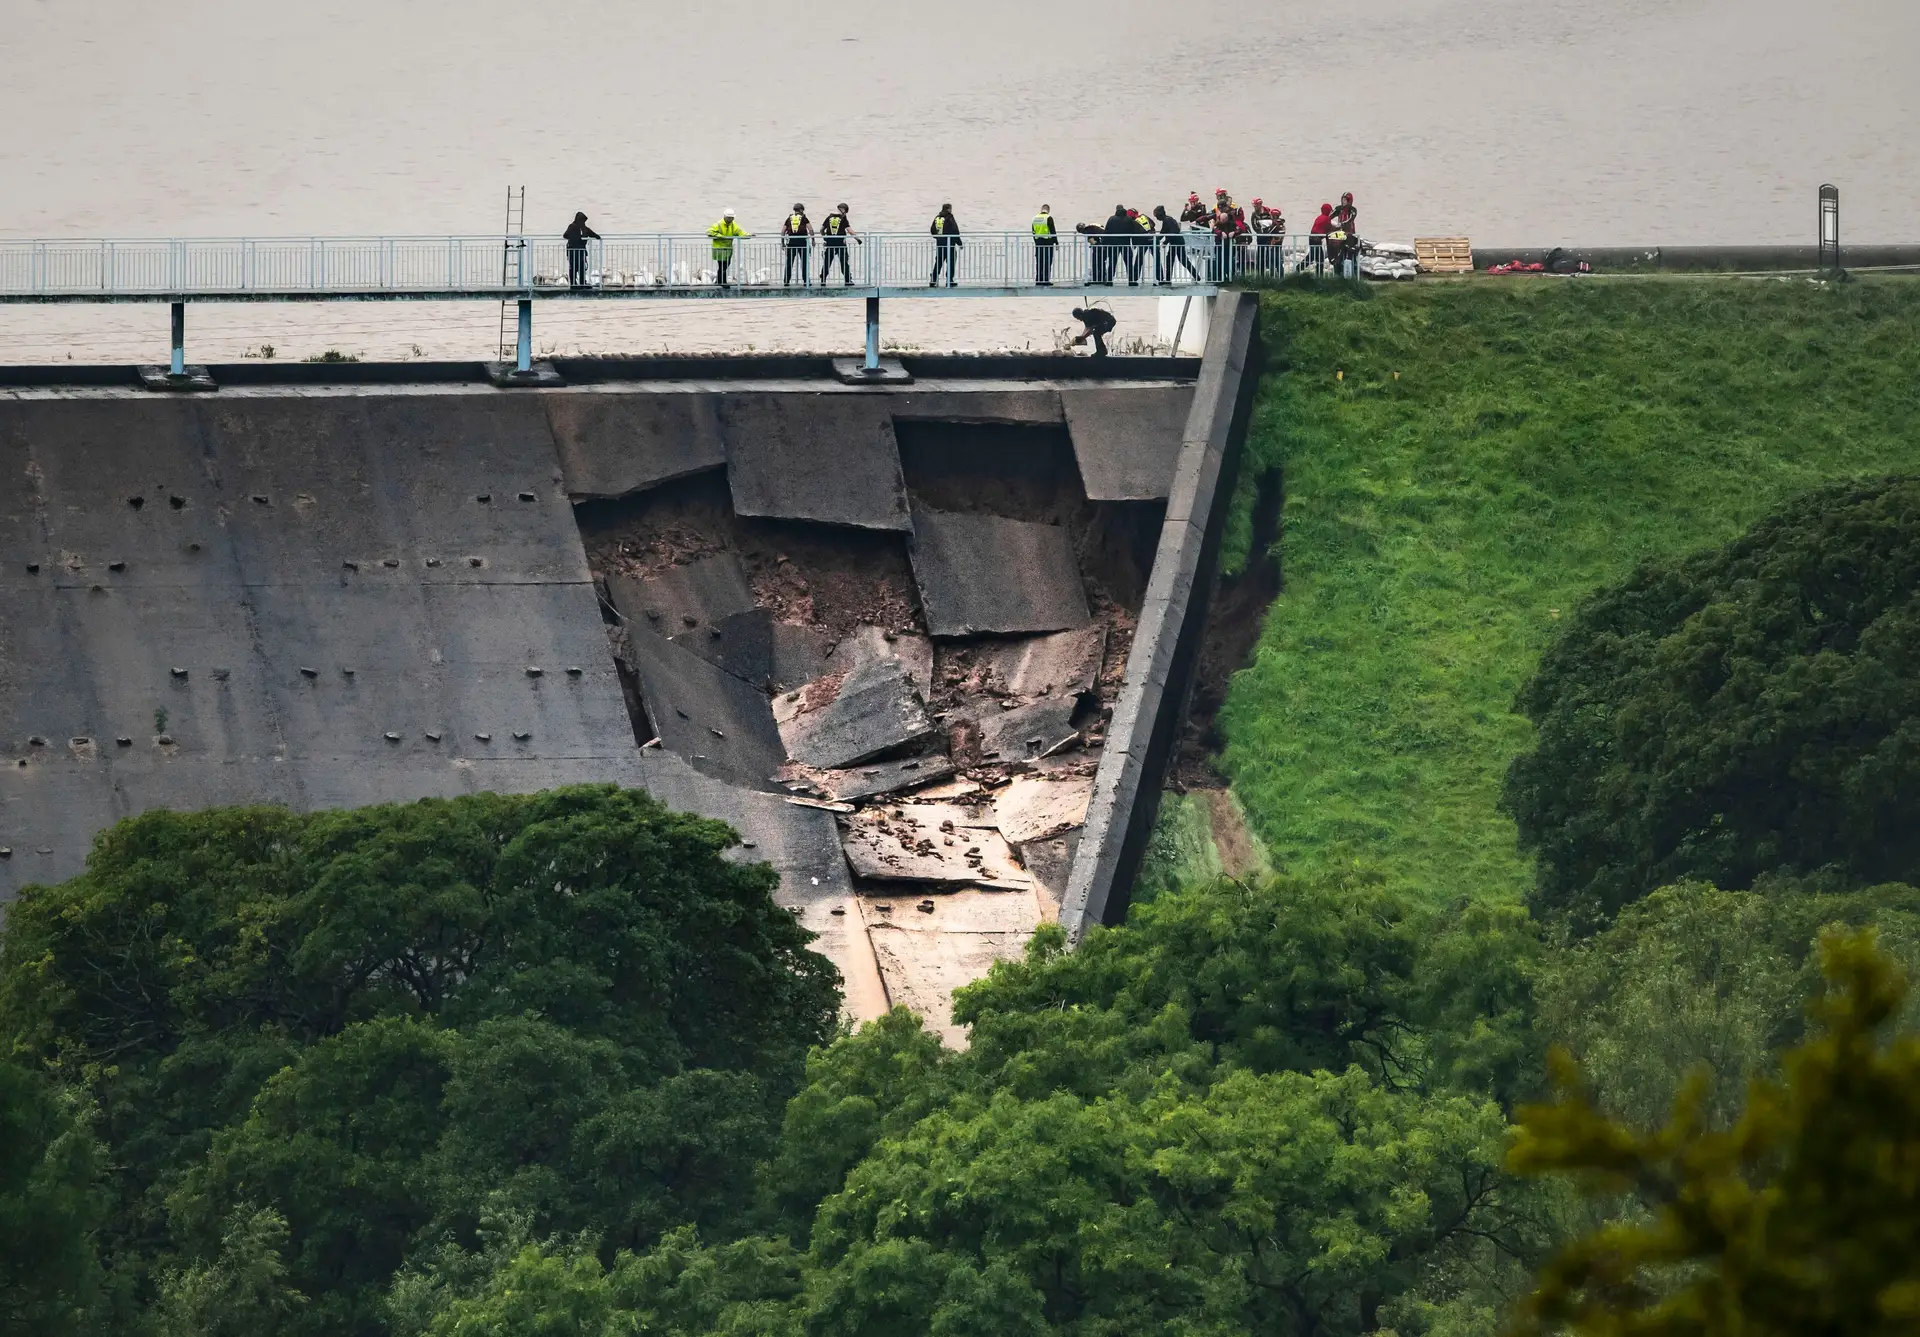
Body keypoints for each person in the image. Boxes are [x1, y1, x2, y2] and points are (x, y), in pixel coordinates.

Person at [1153, 204, 1200, 282]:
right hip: (1176, 242)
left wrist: (1163, 242)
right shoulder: (1169, 219)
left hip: (1177, 243)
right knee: (1172, 260)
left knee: (1181, 260)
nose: (1156, 218)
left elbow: (1170, 233)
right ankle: (1195, 276)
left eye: (1156, 216)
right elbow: (1164, 233)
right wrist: (1159, 240)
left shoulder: (1167, 221)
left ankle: (1195, 276)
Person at [708, 209, 750, 287]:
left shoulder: (733, 224)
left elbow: (739, 231)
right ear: (725, 217)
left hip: (728, 250)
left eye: (732, 218)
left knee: (725, 266)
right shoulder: (718, 224)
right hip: (719, 250)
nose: (730, 219)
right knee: (723, 266)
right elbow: (709, 232)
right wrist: (721, 237)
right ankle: (722, 283)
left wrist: (747, 235)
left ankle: (719, 281)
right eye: (729, 218)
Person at [820, 203, 859, 285]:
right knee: (844, 262)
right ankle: (848, 280)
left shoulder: (829, 217)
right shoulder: (843, 218)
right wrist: (858, 239)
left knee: (827, 262)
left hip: (829, 244)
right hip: (841, 244)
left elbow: (821, 230)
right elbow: (850, 231)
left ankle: (823, 280)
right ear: (844, 210)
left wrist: (825, 238)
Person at [563, 212, 600, 291]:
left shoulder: (584, 228)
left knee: (581, 267)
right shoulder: (572, 227)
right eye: (582, 221)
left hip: (581, 251)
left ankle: (582, 283)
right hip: (573, 251)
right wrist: (577, 237)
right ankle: (573, 284)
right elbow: (565, 235)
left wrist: (597, 236)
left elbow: (591, 233)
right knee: (574, 267)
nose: (583, 223)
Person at [929, 203, 962, 287]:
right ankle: (949, 280)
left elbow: (932, 230)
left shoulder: (938, 218)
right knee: (951, 262)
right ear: (949, 209)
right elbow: (955, 231)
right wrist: (959, 243)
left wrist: (938, 238)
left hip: (940, 244)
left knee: (939, 262)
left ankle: (933, 279)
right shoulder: (949, 217)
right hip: (950, 244)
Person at [1250, 198, 1284, 277]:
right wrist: (1262, 232)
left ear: (1260, 204)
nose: (1255, 208)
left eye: (1256, 206)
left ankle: (1272, 275)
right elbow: (1255, 227)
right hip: (1261, 237)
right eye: (1254, 206)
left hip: (1270, 237)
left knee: (1270, 257)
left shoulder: (1268, 211)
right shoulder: (1254, 214)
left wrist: (1269, 231)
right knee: (1260, 256)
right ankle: (1260, 274)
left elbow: (1273, 222)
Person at [781, 203, 813, 287]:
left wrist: (782, 243)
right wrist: (813, 240)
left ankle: (786, 281)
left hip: (791, 243)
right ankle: (806, 281)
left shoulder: (789, 218)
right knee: (804, 263)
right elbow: (810, 229)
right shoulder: (804, 218)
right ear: (801, 210)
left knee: (789, 263)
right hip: (802, 243)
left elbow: (783, 231)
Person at [1103, 205, 1136, 286]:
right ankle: (1132, 280)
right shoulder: (1129, 219)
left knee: (1112, 262)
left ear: (1116, 210)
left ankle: (1109, 280)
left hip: (1113, 244)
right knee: (1128, 263)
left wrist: (1105, 244)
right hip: (1126, 244)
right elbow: (1133, 231)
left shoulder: (1111, 219)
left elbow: (1107, 232)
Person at [1031, 204, 1058, 285]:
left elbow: (1033, 232)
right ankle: (1046, 280)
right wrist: (1056, 242)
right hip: (1048, 243)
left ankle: (1038, 279)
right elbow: (1053, 231)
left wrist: (1036, 242)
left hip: (1038, 243)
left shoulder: (1034, 218)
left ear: (1041, 209)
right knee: (1047, 262)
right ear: (1048, 210)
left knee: (1039, 261)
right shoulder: (1048, 218)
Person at [1308, 202, 1332, 275]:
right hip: (1317, 240)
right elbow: (1329, 229)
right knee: (1320, 258)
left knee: (1312, 256)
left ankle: (1298, 269)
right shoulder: (1327, 218)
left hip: (1312, 238)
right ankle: (1319, 275)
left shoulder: (1319, 217)